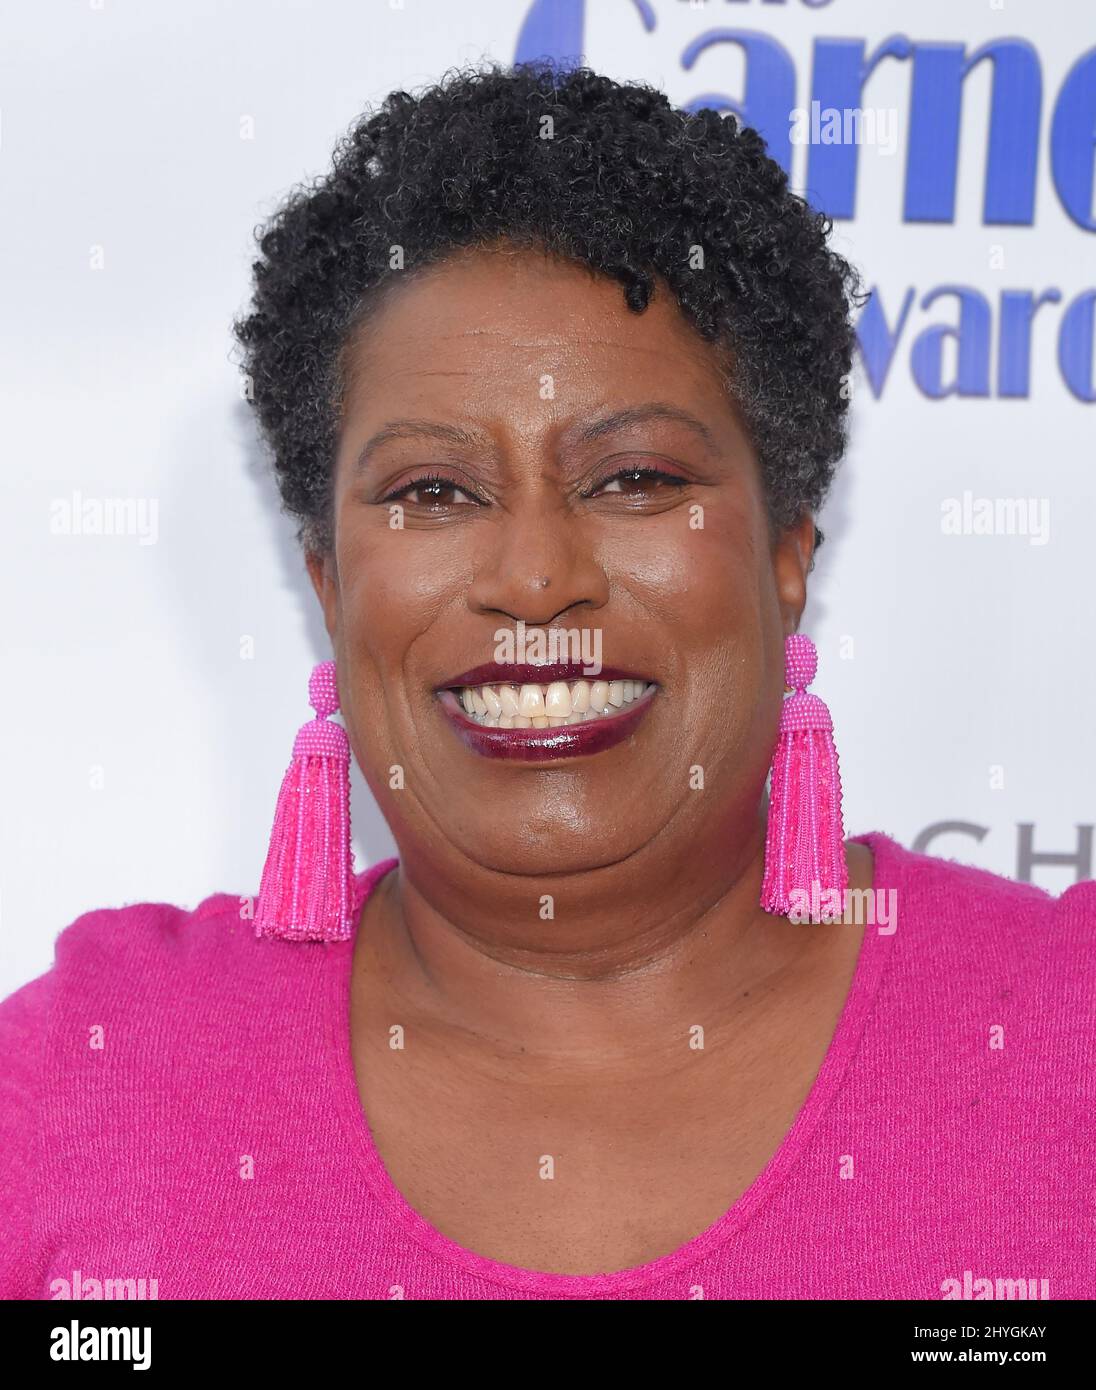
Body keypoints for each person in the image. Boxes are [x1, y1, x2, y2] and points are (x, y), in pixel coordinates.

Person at [1, 62, 1090, 1301]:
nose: (533, 579)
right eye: (434, 493)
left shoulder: (1066, 1033)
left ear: (788, 550)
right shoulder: (87, 1079)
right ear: (327, 583)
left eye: (633, 480)